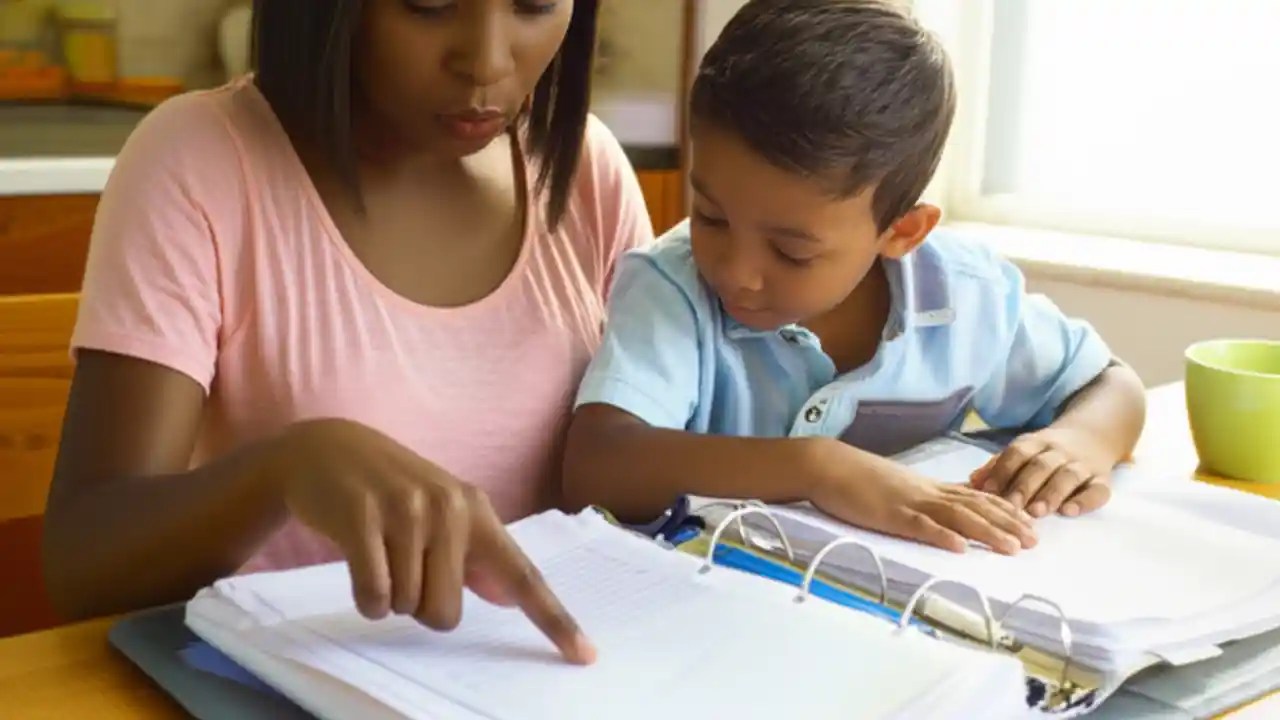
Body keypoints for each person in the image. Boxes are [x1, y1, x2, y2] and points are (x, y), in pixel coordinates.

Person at [43, 0, 657, 665]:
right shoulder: (201, 160)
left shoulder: (590, 174)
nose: (485, 59)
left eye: (535, 2)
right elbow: (85, 563)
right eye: (427, 4)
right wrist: (286, 468)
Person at [563, 0, 1147, 557]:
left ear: (903, 232)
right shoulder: (673, 287)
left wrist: (1082, 443)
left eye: (791, 251)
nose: (736, 272)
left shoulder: (965, 295)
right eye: (711, 216)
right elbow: (597, 466)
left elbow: (1110, 385)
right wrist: (815, 466)